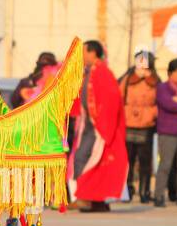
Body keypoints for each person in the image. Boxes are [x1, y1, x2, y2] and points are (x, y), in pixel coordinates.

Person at [68, 41, 128, 212]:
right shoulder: (90, 72)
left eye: (84, 52)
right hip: (88, 124)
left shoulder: (103, 72)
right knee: (88, 159)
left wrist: (101, 123)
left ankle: (85, 198)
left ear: (93, 53)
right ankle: (96, 201)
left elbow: (112, 100)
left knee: (84, 158)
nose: (82, 56)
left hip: (98, 127)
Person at [119, 51, 159, 205]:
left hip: (146, 124)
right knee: (127, 160)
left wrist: (152, 114)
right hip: (128, 122)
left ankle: (144, 191)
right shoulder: (128, 78)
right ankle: (127, 190)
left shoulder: (155, 80)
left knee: (145, 160)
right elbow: (119, 96)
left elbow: (160, 101)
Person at [153, 58, 177, 209]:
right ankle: (158, 195)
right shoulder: (163, 88)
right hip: (168, 131)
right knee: (165, 165)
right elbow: (167, 104)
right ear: (171, 73)